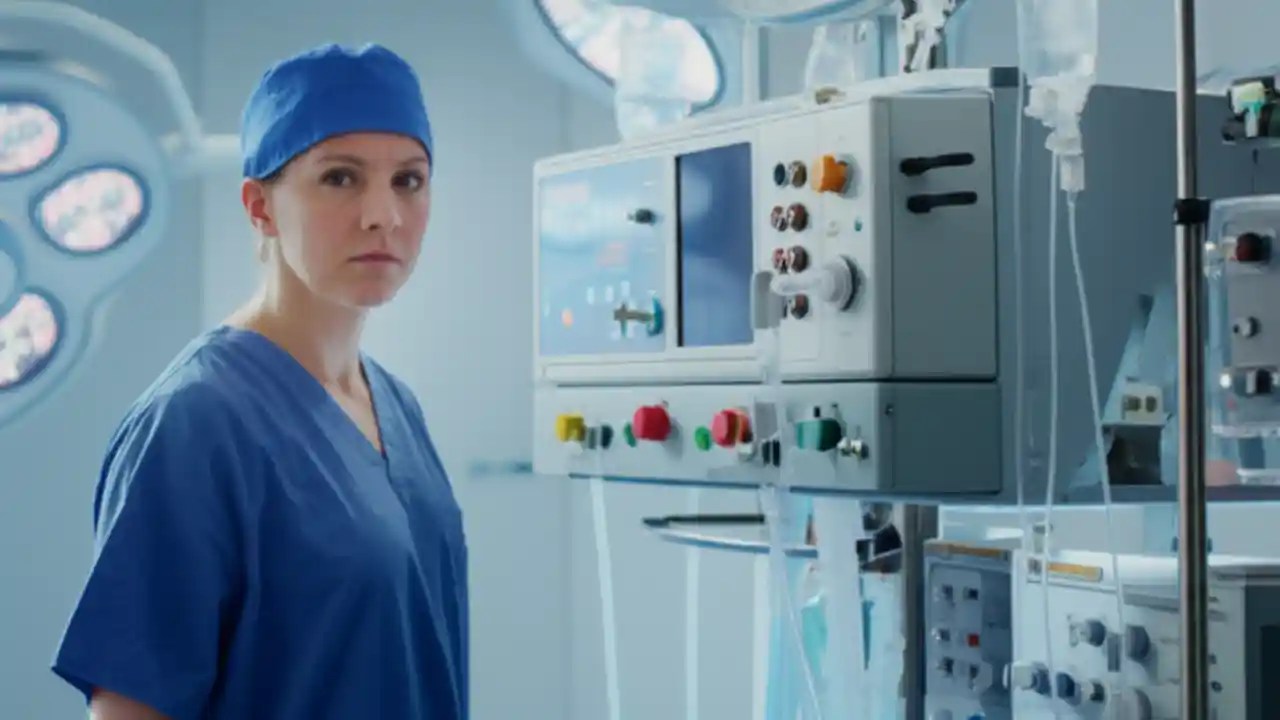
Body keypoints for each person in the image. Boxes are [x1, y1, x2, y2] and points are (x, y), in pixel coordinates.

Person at [50, 42, 468, 720]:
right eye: (340, 178)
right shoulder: (196, 422)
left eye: (409, 181)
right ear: (260, 207)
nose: (382, 215)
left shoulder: (397, 406)